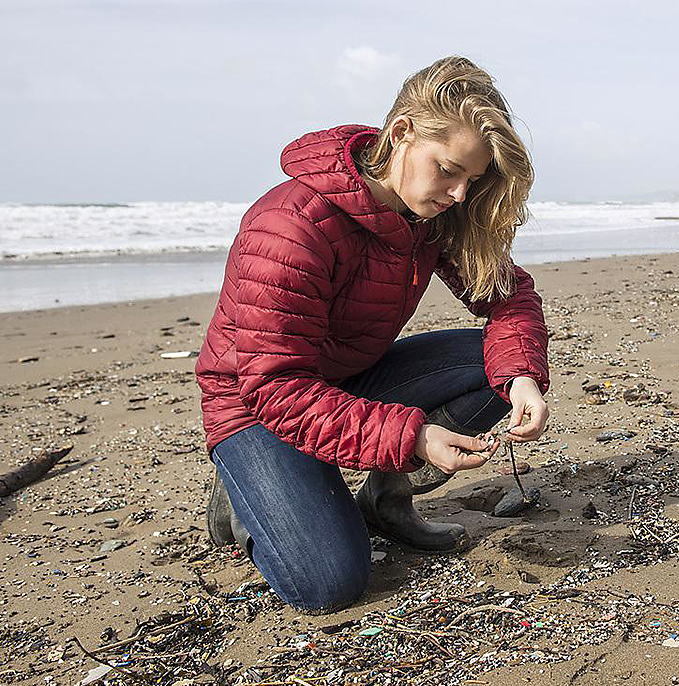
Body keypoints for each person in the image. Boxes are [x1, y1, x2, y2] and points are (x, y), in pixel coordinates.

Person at [193, 56, 550, 614]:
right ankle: (243, 491)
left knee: (496, 367)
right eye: (449, 169)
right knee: (328, 583)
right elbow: (275, 386)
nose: (459, 193)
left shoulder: (430, 214)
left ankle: (386, 500)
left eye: (473, 180)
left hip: (348, 378)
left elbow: (509, 296)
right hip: (257, 405)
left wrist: (523, 377)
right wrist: (414, 438)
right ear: (401, 133)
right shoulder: (290, 225)